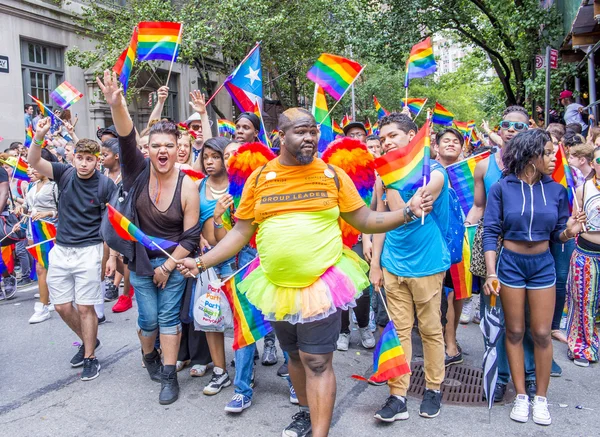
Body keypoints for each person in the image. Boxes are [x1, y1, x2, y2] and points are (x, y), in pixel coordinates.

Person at [177, 108, 433, 437]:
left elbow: (366, 220)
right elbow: (240, 233)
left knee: (317, 361)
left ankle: (320, 431)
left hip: (322, 285)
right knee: (295, 356)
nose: (309, 136)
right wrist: (201, 262)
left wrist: (408, 213)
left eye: (312, 130)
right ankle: (305, 413)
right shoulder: (259, 178)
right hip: (275, 285)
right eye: (300, 131)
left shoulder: (333, 175)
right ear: (280, 137)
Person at [97, 70, 200, 405]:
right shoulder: (136, 172)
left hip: (173, 263)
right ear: (149, 149)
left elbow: (192, 235)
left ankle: (168, 376)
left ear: (177, 149)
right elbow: (126, 137)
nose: (162, 151)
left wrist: (168, 267)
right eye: (156, 145)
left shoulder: (188, 185)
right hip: (140, 261)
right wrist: (117, 104)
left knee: (169, 318)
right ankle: (149, 357)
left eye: (169, 145)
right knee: (148, 320)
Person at [483, 129, 585, 425]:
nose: (555, 158)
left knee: (541, 333)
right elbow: (491, 231)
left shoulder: (557, 190)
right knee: (513, 332)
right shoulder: (502, 188)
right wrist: (491, 272)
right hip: (510, 264)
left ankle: (540, 399)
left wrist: (569, 232)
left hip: (543, 263)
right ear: (531, 155)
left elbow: (557, 235)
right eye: (549, 152)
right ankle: (520, 396)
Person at [369, 113, 448, 422]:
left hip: (427, 265)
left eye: (394, 136)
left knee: (429, 331)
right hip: (392, 265)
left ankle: (433, 388)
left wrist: (416, 202)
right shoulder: (382, 176)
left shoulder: (433, 172)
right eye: (383, 137)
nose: (387, 141)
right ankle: (397, 395)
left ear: (413, 136)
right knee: (398, 332)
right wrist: (375, 264)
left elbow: (426, 196)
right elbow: (378, 223)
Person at [28, 117, 117, 381]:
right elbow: (34, 161)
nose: (83, 163)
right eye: (80, 158)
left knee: (86, 307)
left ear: (97, 161)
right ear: (75, 158)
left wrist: (108, 257)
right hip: (62, 250)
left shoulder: (105, 185)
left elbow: (110, 225)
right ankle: (89, 341)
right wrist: (38, 136)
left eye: (89, 159)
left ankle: (90, 356)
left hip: (89, 251)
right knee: (62, 307)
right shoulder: (64, 173)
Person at [465, 105, 538, 402]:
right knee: (492, 313)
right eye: (506, 125)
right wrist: (466, 228)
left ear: (528, 130)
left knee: (527, 316)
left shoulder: (536, 165)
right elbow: (479, 207)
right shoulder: (483, 166)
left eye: (519, 126)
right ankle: (498, 373)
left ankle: (531, 373)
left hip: (526, 244)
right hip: (491, 243)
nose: (511, 130)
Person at [435, 127, 469, 366]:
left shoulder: (468, 174)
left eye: (455, 141)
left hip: (460, 242)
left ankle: (451, 340)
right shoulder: (427, 170)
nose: (450, 144)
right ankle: (438, 339)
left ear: (462, 147)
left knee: (455, 292)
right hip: (432, 240)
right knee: (436, 293)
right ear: (436, 146)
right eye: (445, 140)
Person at [566, 145, 600, 367]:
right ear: (593, 163)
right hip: (587, 254)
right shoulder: (584, 189)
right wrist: (575, 223)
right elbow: (570, 226)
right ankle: (582, 346)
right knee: (584, 304)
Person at [23, 150, 58, 323]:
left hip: (51, 230)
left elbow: (63, 210)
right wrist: (22, 214)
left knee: (42, 267)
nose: (30, 169)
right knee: (46, 266)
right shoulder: (31, 186)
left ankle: (43, 307)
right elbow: (29, 208)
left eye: (34, 165)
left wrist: (48, 213)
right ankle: (52, 298)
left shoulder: (55, 186)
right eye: (30, 166)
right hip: (34, 229)